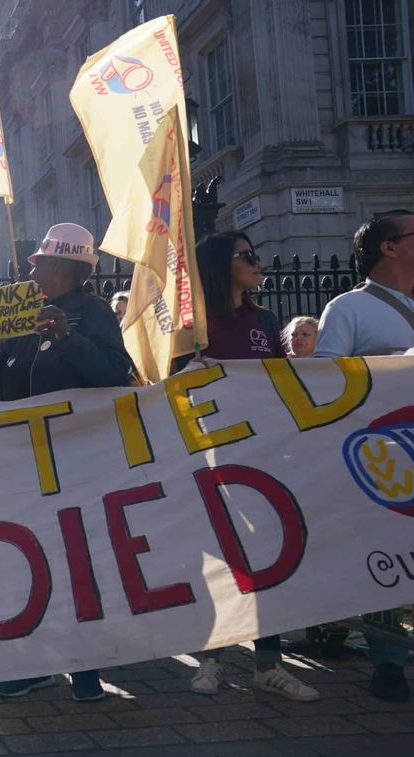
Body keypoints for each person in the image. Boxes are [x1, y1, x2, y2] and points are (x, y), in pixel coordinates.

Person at [0, 222, 132, 703]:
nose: (30, 270)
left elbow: (115, 374)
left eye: (39, 262)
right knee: (29, 561)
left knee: (77, 561)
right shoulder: (22, 312)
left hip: (76, 462)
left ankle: (85, 668)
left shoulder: (94, 313)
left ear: (63, 267)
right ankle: (34, 664)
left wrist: (68, 338)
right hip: (24, 463)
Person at [184, 230, 318, 702]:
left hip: (260, 456)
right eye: (247, 255)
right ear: (221, 265)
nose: (258, 262)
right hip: (207, 458)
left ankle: (268, 664)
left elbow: (281, 384)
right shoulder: (191, 323)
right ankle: (211, 658)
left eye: (256, 254)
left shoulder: (264, 319)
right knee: (219, 558)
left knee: (267, 555)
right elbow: (157, 388)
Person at [314, 209, 414, 702]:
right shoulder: (348, 309)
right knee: (388, 556)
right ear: (388, 247)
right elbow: (324, 380)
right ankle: (389, 661)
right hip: (389, 460)